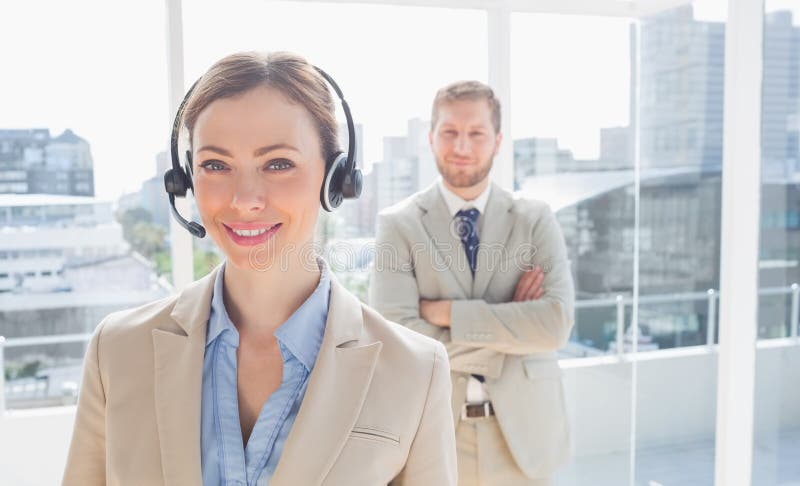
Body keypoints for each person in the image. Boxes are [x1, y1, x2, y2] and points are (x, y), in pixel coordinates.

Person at [63, 51, 456, 486]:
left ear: (336, 178)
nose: (245, 198)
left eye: (278, 164)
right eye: (216, 165)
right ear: (185, 179)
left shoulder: (414, 371)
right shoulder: (118, 351)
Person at [369, 80, 575, 486]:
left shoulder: (534, 219)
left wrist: (446, 315)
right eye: (450, 132)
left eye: (476, 133)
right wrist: (513, 335)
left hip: (525, 442)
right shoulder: (399, 226)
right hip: (434, 438)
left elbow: (554, 324)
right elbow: (398, 342)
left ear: (497, 141)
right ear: (431, 138)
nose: (461, 146)